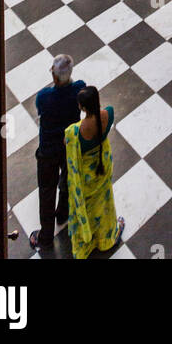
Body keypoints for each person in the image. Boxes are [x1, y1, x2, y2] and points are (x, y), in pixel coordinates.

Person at [29, 55, 85, 252]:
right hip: (69, 145)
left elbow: (40, 112)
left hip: (48, 149)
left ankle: (45, 237)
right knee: (67, 180)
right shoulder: (79, 88)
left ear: (54, 76)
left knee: (46, 190)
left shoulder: (43, 97)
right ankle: (62, 213)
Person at [64, 85, 125, 259]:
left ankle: (87, 242)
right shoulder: (109, 114)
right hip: (103, 168)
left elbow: (66, 144)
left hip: (86, 178)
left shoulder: (74, 132)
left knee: (87, 207)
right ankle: (105, 238)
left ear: (82, 107)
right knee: (103, 204)